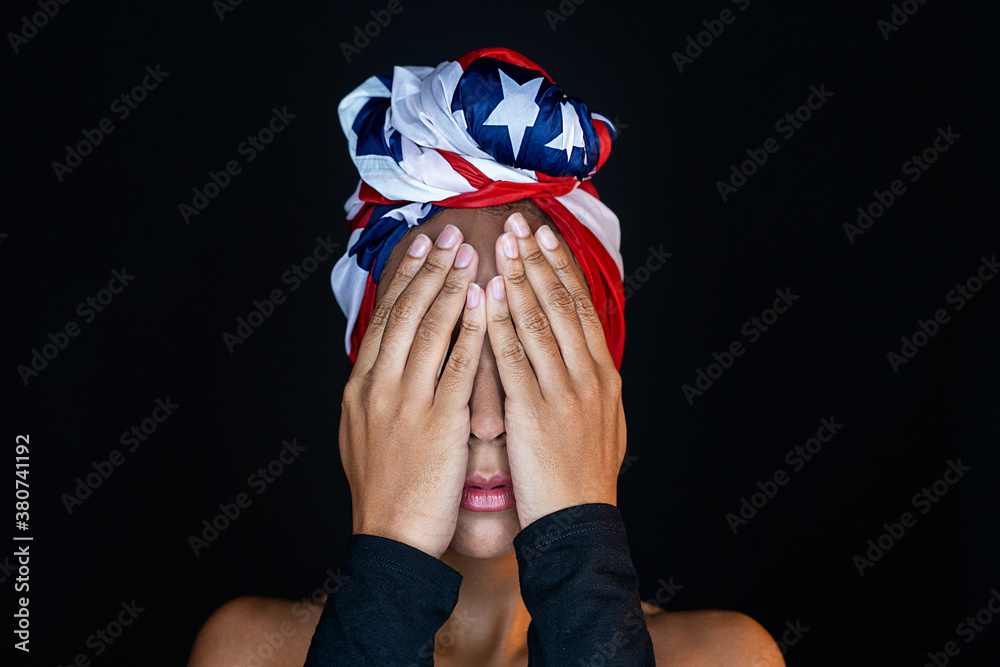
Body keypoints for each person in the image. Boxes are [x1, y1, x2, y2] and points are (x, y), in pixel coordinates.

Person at [188, 47, 785, 666]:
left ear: (602, 383)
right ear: (367, 384)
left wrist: (581, 555)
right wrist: (388, 571)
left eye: (528, 346)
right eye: (440, 346)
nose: (484, 417)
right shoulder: (248, 651)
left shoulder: (726, 655)